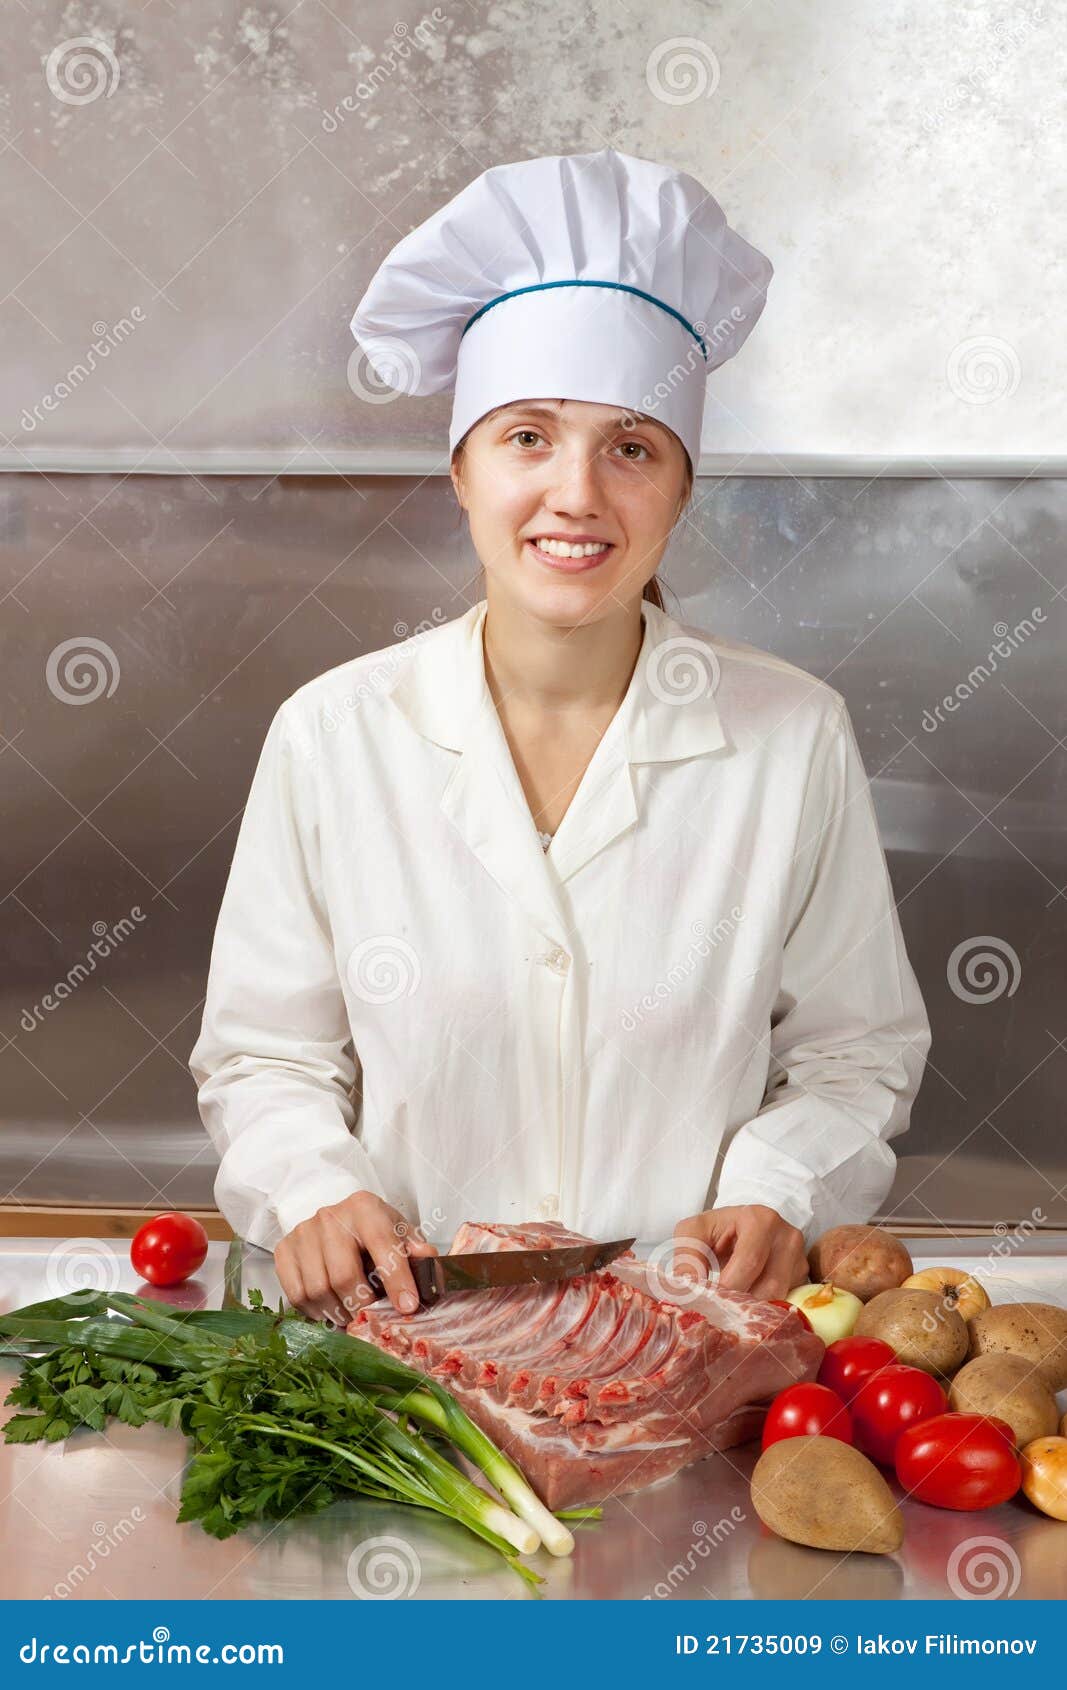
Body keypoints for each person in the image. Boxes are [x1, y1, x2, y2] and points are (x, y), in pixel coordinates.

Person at [189, 148, 931, 1326]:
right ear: (460, 471)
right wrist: (312, 1184)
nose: (576, 494)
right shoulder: (333, 735)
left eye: (630, 447)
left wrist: (778, 1187)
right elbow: (265, 1057)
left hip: (682, 1347)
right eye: (526, 436)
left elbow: (854, 1052)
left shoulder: (790, 736)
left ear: (682, 488)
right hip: (409, 1347)